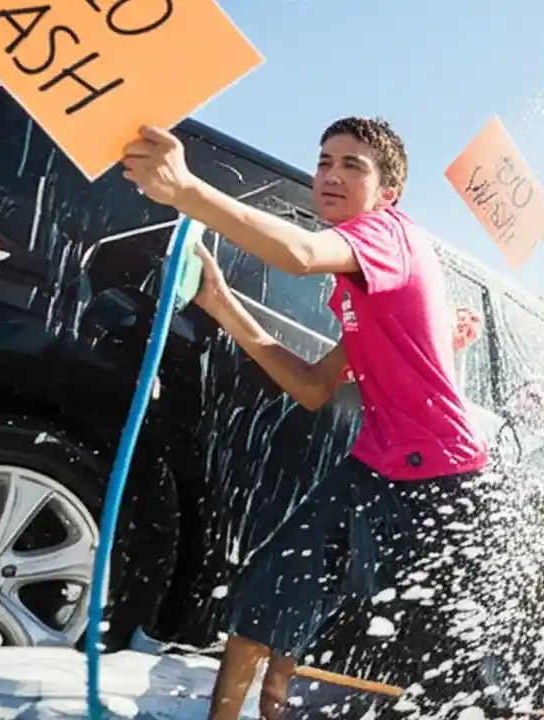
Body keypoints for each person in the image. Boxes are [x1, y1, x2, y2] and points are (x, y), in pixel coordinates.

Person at [121, 118, 493, 720]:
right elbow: (316, 387)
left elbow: (295, 254)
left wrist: (188, 191)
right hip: (374, 465)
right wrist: (221, 303)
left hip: (444, 485)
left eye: (354, 166)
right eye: (324, 162)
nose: (332, 175)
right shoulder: (356, 282)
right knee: (269, 588)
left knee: (457, 673)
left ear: (388, 193)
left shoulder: (390, 236)